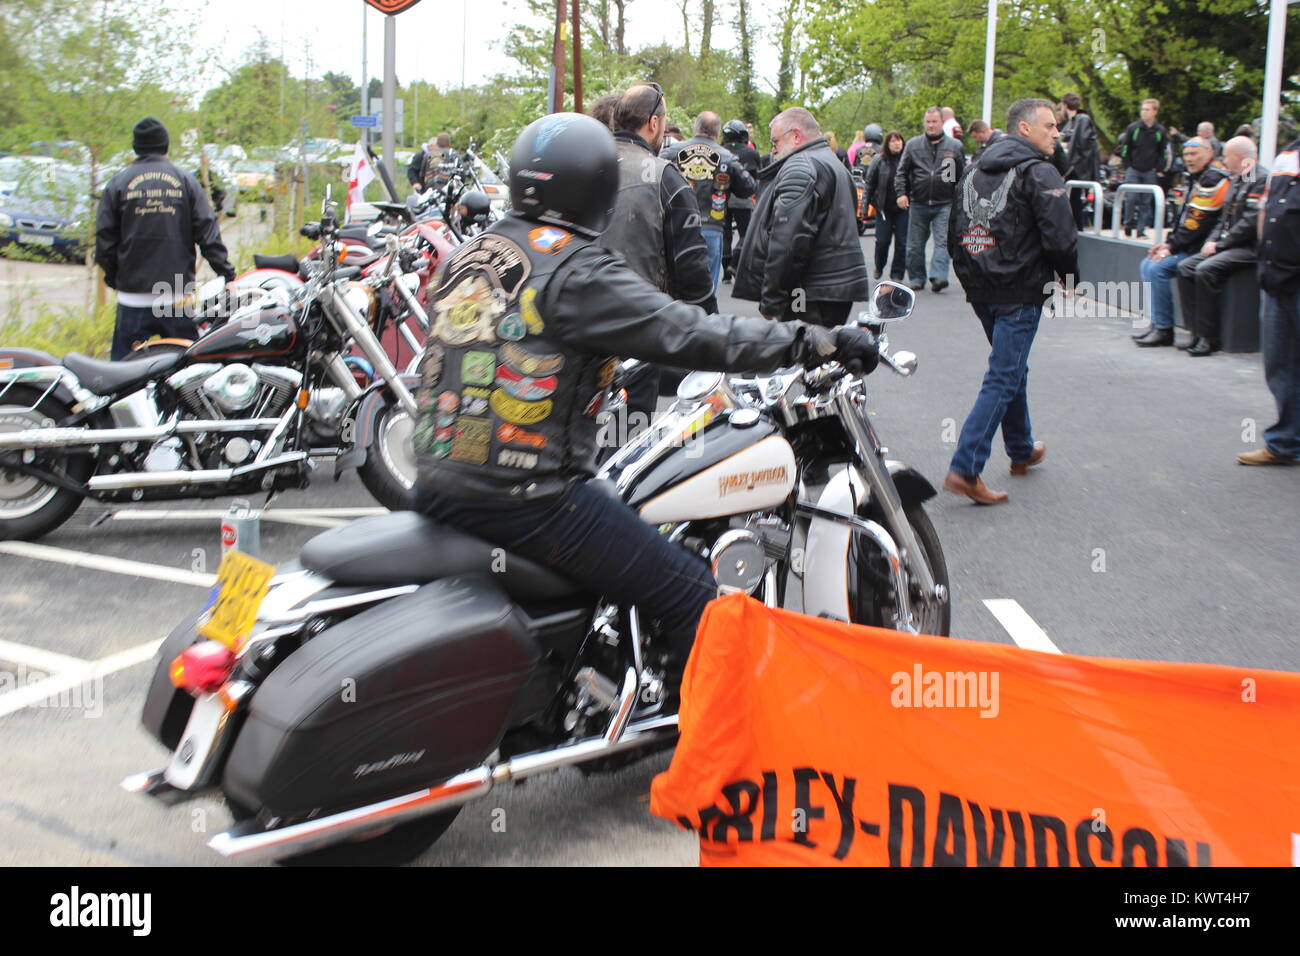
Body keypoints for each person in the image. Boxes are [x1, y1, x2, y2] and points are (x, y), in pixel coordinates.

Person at [409, 112, 881, 667]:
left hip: (438, 481)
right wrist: (813, 340)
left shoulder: (471, 253)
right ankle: (709, 743)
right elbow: (693, 332)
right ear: (597, 188)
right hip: (528, 497)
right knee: (693, 596)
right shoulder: (575, 268)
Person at [945, 98, 1077, 505]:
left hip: (983, 289)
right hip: (1018, 290)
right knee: (1003, 375)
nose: (1057, 133)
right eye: (1050, 125)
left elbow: (955, 234)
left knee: (1011, 367)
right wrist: (1069, 275)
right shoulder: (1038, 171)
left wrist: (970, 278)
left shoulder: (972, 170)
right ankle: (966, 467)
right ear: (1024, 129)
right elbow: (1060, 233)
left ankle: (1021, 449)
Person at [598, 83, 717, 419]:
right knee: (623, 438)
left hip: (577, 326)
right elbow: (691, 266)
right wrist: (708, 330)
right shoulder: (664, 177)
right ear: (654, 123)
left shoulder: (582, 166)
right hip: (635, 329)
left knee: (582, 432)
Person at [95, 117, 235, 360]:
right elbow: (207, 231)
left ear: (136, 148)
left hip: (133, 298)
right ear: (166, 146)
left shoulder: (118, 184)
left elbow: (105, 240)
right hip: (176, 295)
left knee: (123, 377)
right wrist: (227, 273)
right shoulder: (186, 182)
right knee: (187, 373)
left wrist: (116, 279)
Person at [733, 107, 870, 326]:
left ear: (796, 136)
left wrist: (771, 299)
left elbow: (788, 238)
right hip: (833, 289)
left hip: (810, 290)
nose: (773, 150)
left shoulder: (801, 165)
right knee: (823, 354)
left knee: (804, 355)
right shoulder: (833, 163)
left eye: (775, 142)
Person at [1174, 136, 1267, 356]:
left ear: (1238, 157)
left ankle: (1208, 337)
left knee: (1206, 270)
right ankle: (1195, 332)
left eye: (1226, 157)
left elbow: (1250, 223)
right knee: (1186, 267)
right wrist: (1212, 241)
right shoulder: (1238, 178)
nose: (1224, 162)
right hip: (1229, 244)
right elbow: (1223, 218)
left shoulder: (1259, 178)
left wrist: (1221, 244)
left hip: (1248, 247)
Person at [1238, 135, 1300, 465]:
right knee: (1280, 366)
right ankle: (1285, 444)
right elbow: (1265, 209)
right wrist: (1265, 257)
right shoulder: (1287, 154)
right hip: (1276, 277)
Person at [1134, 138, 1230, 347]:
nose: (1188, 159)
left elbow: (1197, 223)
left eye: (1194, 154)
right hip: (1188, 245)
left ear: (1209, 153)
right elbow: (1184, 221)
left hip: (1201, 248)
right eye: (1186, 155)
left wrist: (1171, 247)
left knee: (1157, 267)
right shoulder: (1197, 177)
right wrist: (1168, 243)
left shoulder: (1212, 179)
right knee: (1147, 264)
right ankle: (1159, 324)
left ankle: (1164, 329)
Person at [661, 111, 756, 289]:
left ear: (695, 128)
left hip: (676, 226)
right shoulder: (726, 156)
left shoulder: (671, 153)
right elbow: (748, 187)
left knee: (675, 284)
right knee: (707, 288)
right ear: (717, 133)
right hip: (711, 225)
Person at [895, 106, 966, 292]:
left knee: (942, 241)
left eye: (935, 122)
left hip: (945, 202)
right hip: (918, 201)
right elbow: (901, 172)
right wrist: (901, 193)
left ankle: (939, 276)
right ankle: (917, 277)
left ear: (942, 122)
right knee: (914, 245)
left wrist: (960, 200)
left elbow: (960, 176)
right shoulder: (913, 145)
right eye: (928, 122)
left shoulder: (954, 147)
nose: (931, 125)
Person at [1114, 99, 1173, 238]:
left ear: (1154, 111)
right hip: (1133, 168)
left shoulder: (1160, 131)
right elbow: (1125, 147)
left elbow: (1164, 151)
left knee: (1146, 201)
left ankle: (1141, 230)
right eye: (1143, 109)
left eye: (1147, 109)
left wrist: (1159, 168)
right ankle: (1128, 224)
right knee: (1131, 197)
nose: (1144, 112)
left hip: (1150, 170)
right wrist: (1127, 164)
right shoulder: (1133, 128)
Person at [721, 118, 762, 283]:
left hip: (721, 198)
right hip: (743, 199)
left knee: (725, 235)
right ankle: (736, 262)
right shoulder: (751, 153)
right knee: (747, 233)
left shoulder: (720, 151)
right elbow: (755, 178)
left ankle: (725, 273)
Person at [865, 130, 908, 281]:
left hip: (904, 209)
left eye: (898, 140)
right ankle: (879, 265)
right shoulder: (879, 160)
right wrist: (865, 209)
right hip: (884, 209)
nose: (896, 144)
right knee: (882, 242)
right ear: (887, 144)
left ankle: (897, 274)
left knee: (902, 243)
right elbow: (869, 185)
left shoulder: (908, 160)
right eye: (892, 141)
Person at [1058, 92, 1101, 231]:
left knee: (1074, 199)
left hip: (1078, 167)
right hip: (1073, 166)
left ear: (1065, 105)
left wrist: (1068, 147)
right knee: (1072, 200)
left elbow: (1083, 143)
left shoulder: (1082, 119)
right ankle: (1075, 228)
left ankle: (1077, 229)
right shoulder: (1072, 122)